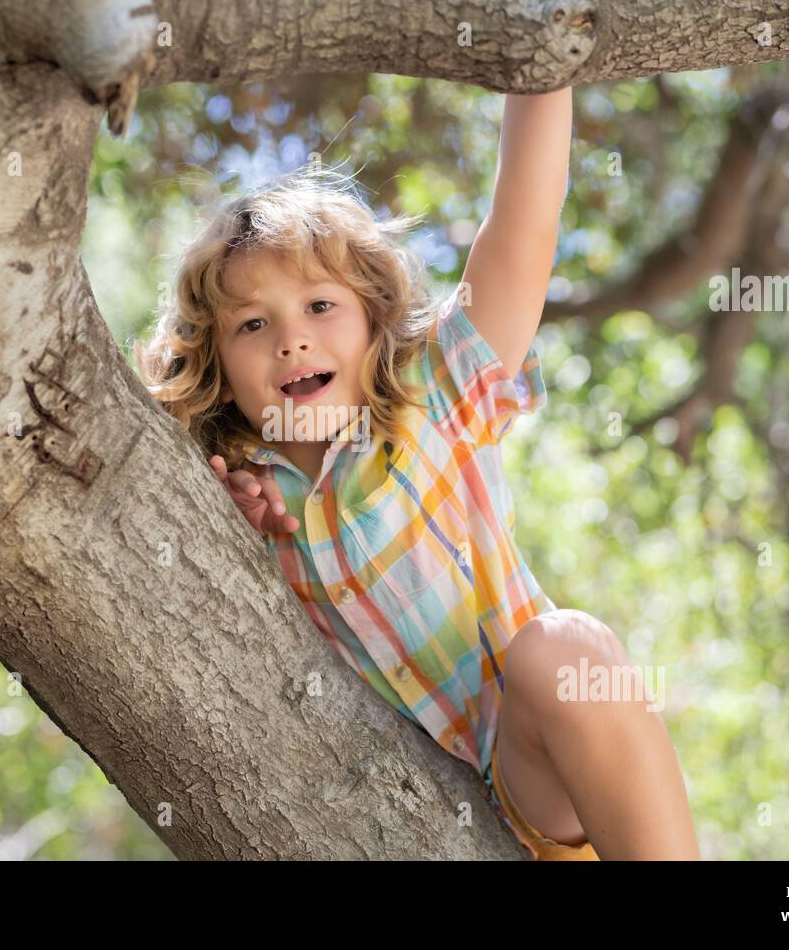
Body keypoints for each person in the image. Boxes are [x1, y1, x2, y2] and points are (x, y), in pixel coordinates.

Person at [136, 88, 699, 860]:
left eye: (320, 305)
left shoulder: (437, 395)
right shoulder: (235, 498)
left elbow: (525, 226)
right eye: (253, 325)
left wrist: (541, 72)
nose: (292, 341)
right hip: (412, 824)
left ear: (374, 319)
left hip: (541, 781)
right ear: (220, 367)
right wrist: (228, 526)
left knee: (565, 649)